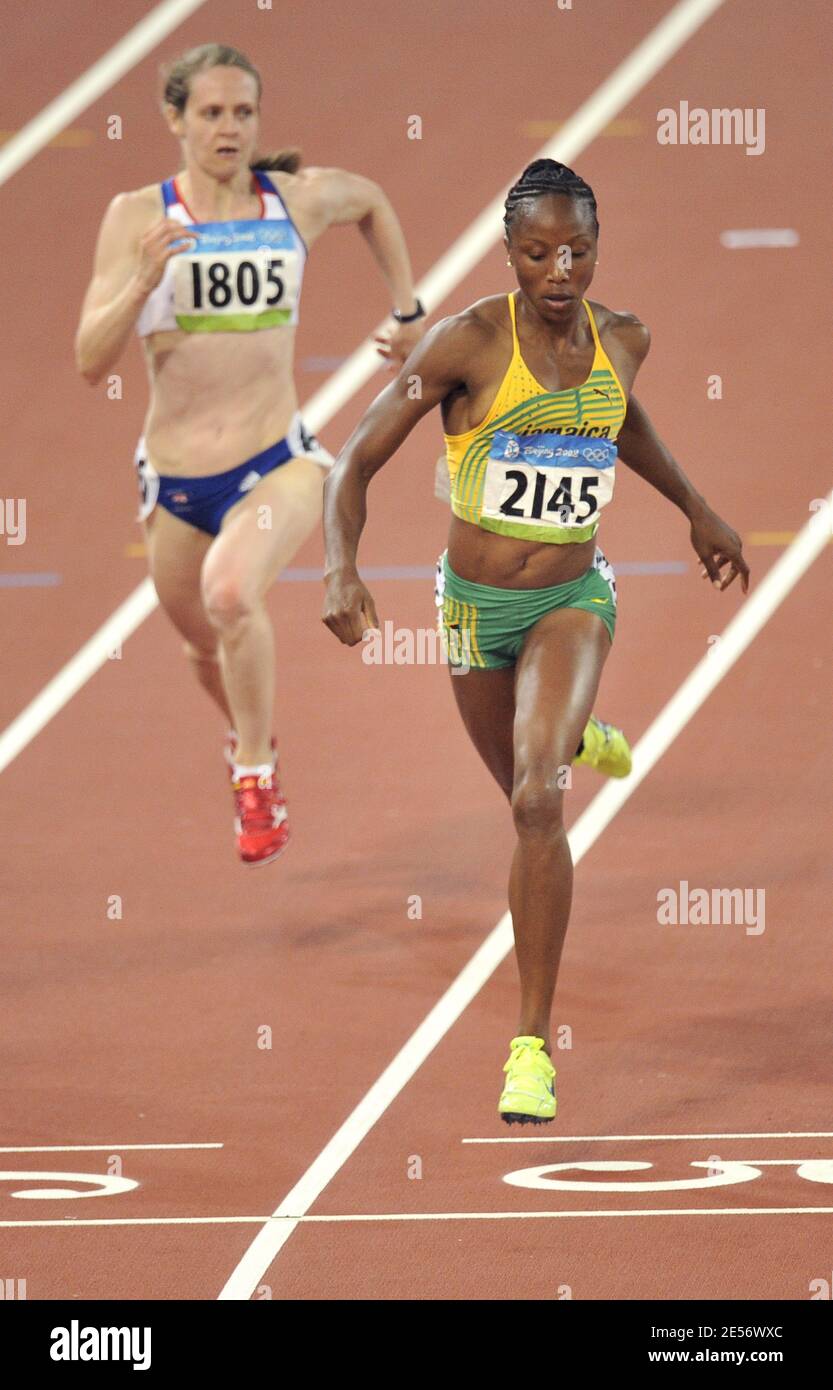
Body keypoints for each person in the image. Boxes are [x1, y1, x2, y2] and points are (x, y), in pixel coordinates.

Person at [322, 159, 749, 1123]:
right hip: (473, 610)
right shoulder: (465, 344)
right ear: (507, 253)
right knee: (530, 773)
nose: (560, 269)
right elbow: (353, 459)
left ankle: (529, 1048)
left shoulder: (623, 339)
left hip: (571, 599)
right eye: (537, 251)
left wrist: (696, 508)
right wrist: (340, 566)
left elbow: (616, 421)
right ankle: (571, 735)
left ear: (597, 250)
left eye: (577, 251)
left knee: (530, 804)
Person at [75, 42, 427, 866]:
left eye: (242, 113)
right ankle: (248, 743)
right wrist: (139, 283)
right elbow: (90, 363)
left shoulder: (293, 202)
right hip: (173, 483)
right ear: (174, 119)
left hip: (278, 461)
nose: (228, 128)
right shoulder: (137, 218)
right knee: (203, 643)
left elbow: (370, 200)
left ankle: (257, 779)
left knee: (230, 595)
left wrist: (409, 310)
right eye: (210, 113)